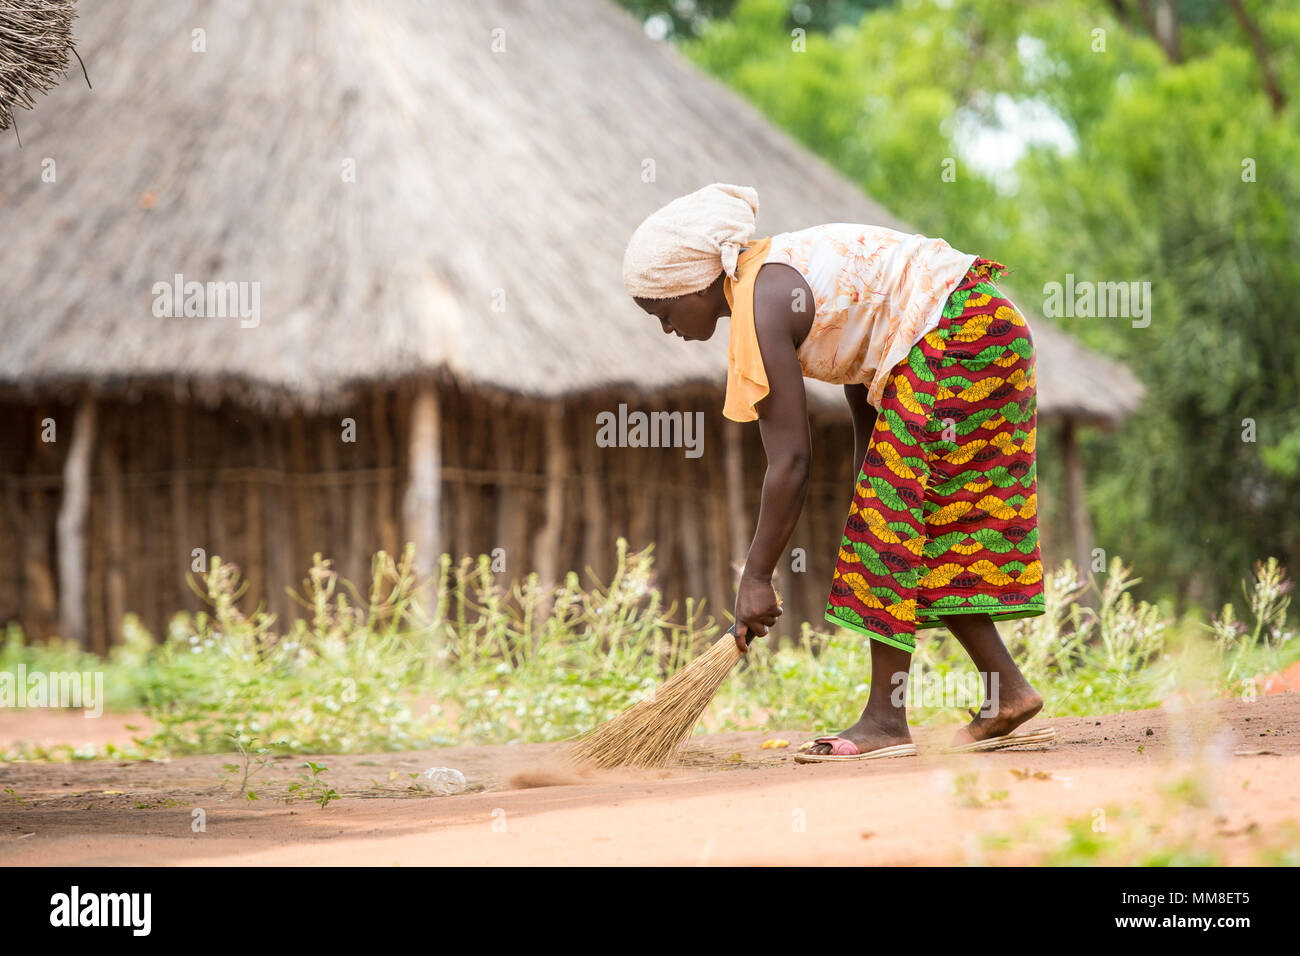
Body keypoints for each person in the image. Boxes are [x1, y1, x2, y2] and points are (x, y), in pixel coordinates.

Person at [622, 183, 1054, 761]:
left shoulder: (761, 301)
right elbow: (868, 375)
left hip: (958, 337)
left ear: (694, 284)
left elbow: (792, 461)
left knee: (893, 527)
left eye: (664, 311)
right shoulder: (779, 277)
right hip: (984, 332)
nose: (666, 327)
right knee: (913, 524)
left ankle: (883, 721)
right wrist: (870, 490)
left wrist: (755, 578)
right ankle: (1009, 692)